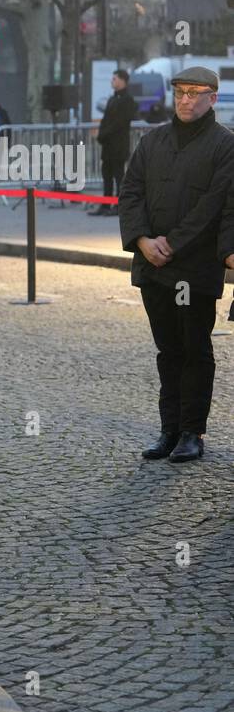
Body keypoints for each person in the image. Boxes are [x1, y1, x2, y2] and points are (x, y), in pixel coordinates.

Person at [121, 67, 234, 463]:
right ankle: (169, 429)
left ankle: (192, 431)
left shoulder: (225, 145)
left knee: (194, 349)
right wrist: (142, 240)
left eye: (194, 93)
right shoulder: (152, 140)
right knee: (167, 350)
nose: (185, 100)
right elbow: (131, 191)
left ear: (212, 98)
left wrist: (171, 242)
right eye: (180, 92)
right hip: (152, 265)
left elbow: (215, 204)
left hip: (195, 268)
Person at [92, 69, 139, 216]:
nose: (112, 81)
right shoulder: (112, 99)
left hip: (119, 144)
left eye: (114, 79)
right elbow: (106, 120)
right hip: (108, 145)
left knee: (119, 176)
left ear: (123, 81)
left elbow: (120, 123)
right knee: (106, 175)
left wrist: (105, 133)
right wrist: (101, 134)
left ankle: (119, 206)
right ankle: (105, 204)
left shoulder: (128, 100)